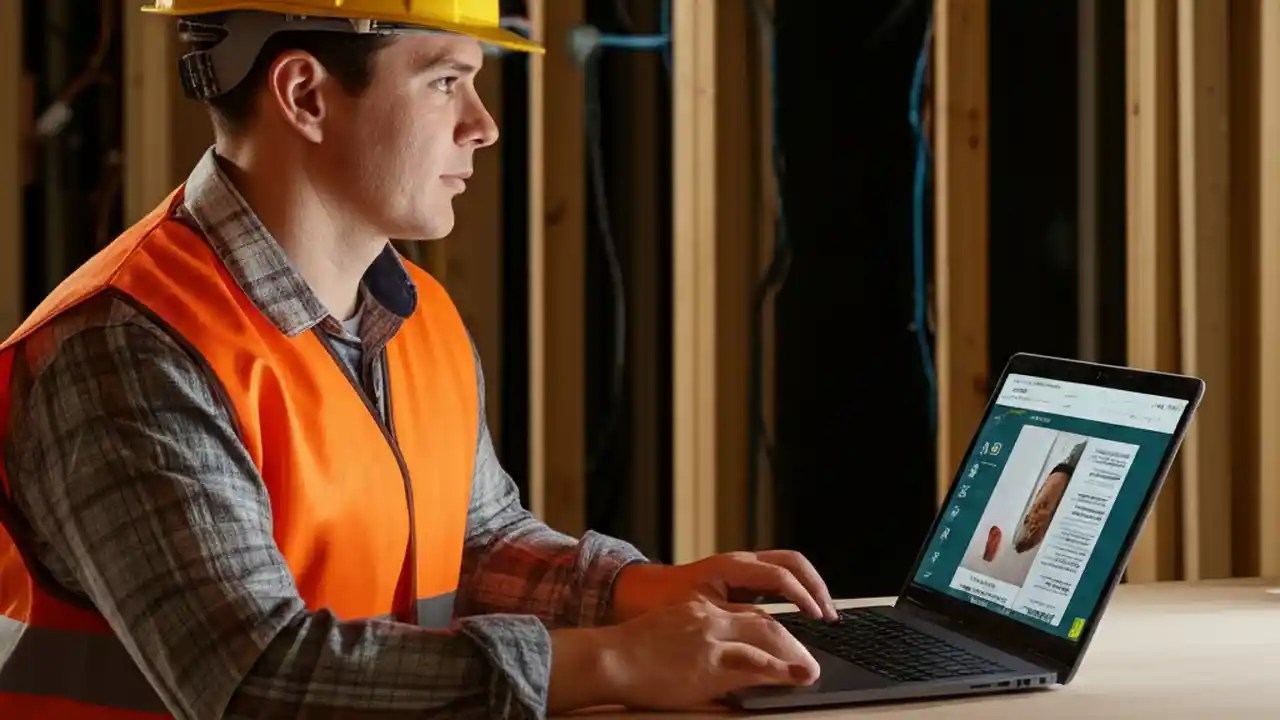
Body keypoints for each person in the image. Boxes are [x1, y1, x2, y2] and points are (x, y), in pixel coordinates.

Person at [0, 2, 837, 718]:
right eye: (444, 80)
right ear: (304, 95)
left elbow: (470, 541)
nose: (484, 123)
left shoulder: (412, 319)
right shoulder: (129, 348)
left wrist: (635, 591)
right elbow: (258, 677)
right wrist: (613, 661)